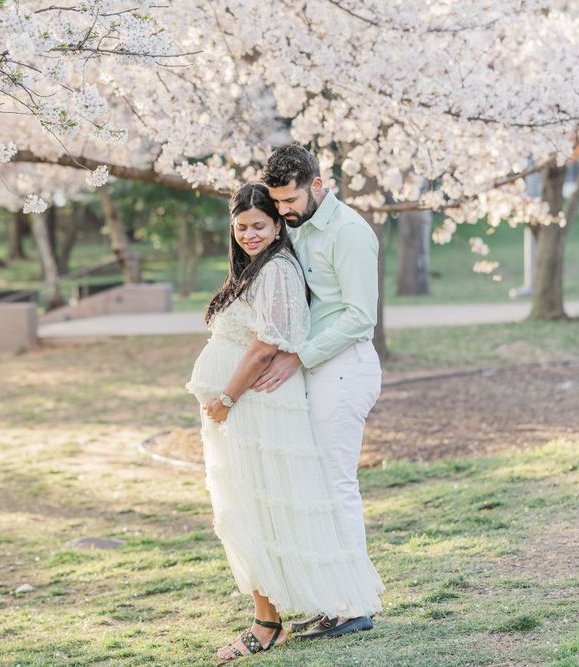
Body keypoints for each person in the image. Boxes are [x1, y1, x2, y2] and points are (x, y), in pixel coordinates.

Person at [186, 183, 384, 662]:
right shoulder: (258, 268)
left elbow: (265, 344)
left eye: (260, 224)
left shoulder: (285, 263)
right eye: (242, 227)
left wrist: (228, 396)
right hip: (249, 404)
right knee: (266, 502)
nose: (250, 234)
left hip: (264, 400)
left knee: (292, 497)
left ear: (277, 226)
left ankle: (326, 609)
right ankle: (321, 605)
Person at [255, 143, 384, 640]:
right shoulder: (298, 229)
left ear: (317, 184)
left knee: (336, 486)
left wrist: (296, 357)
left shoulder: (349, 233)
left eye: (289, 200)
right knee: (317, 490)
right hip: (315, 370)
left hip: (345, 368)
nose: (282, 211)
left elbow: (358, 316)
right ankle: (333, 601)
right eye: (276, 202)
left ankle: (353, 606)